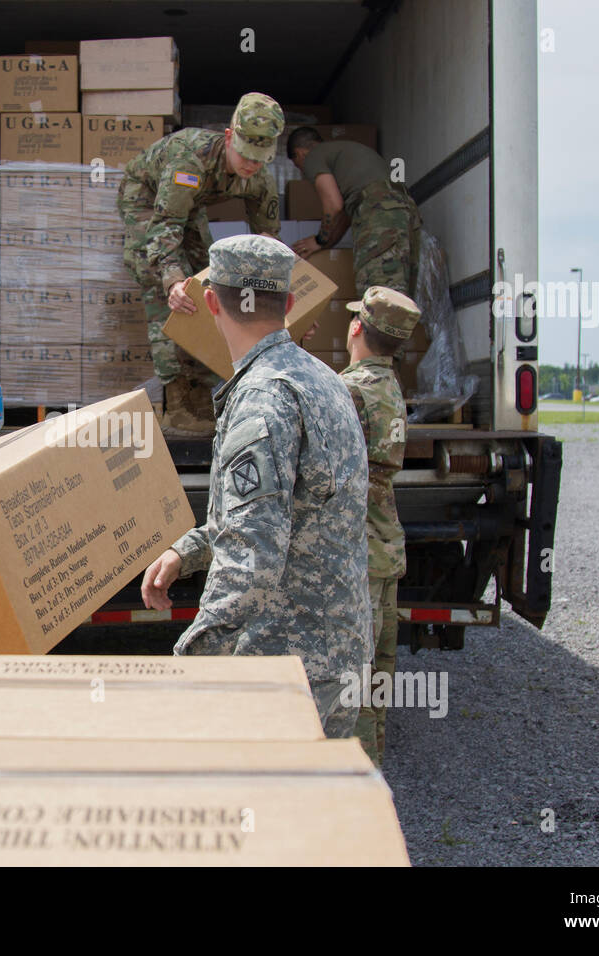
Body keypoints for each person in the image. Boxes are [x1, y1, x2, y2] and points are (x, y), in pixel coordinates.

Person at [139, 234, 371, 738]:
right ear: (289, 304)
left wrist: (192, 658)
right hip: (335, 654)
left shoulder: (262, 398)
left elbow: (253, 555)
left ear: (209, 303)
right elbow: (297, 509)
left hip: (281, 666)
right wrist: (189, 550)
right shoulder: (325, 380)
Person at [118, 92, 284, 437]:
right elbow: (165, 225)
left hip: (189, 205)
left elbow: (269, 244)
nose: (251, 164)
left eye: (260, 157)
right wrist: (172, 281)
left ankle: (203, 394)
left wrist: (285, 305)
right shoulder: (189, 161)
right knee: (166, 288)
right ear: (228, 137)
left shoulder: (259, 177)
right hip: (148, 199)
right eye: (245, 155)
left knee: (212, 283)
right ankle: (176, 405)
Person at [337, 287, 420, 765]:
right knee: (379, 673)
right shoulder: (388, 387)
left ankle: (356, 777)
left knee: (354, 678)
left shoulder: (352, 390)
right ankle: (375, 768)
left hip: (358, 553)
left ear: (355, 329)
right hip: (385, 548)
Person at [285, 126, 423, 298]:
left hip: (379, 216)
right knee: (400, 295)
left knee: (377, 294)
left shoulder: (314, 156)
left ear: (300, 154)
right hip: (405, 212)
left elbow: (333, 205)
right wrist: (327, 245)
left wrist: (319, 239)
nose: (303, 173)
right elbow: (344, 214)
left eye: (298, 166)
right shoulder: (346, 157)